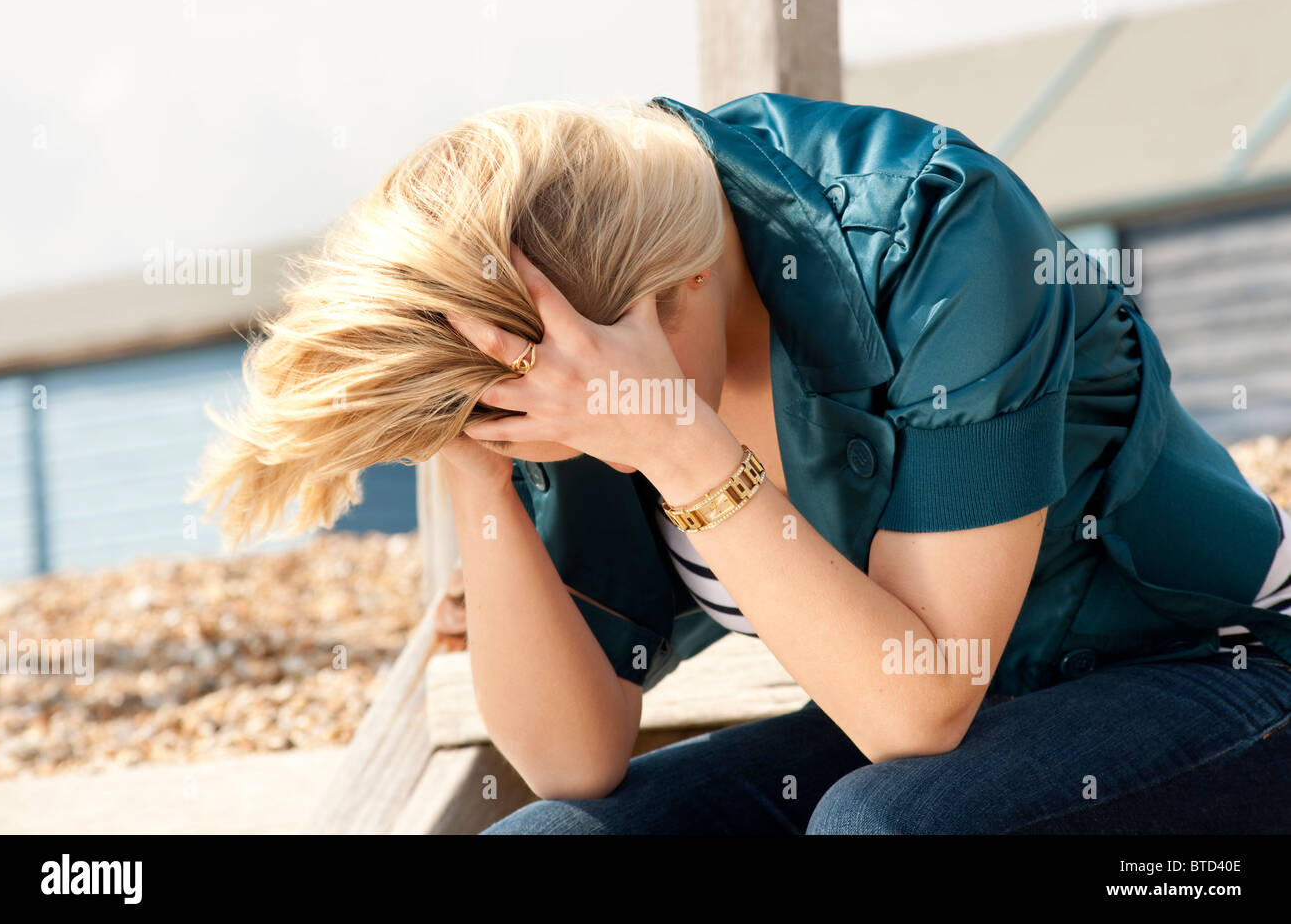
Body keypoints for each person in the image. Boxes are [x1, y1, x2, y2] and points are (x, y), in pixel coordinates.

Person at [187, 92, 1291, 833]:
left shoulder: (935, 230)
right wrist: (476, 476)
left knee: (880, 823)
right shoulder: (569, 342)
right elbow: (570, 760)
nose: (539, 432)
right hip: (916, 731)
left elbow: (919, 714)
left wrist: (673, 439)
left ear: (677, 294)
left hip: (1209, 675)